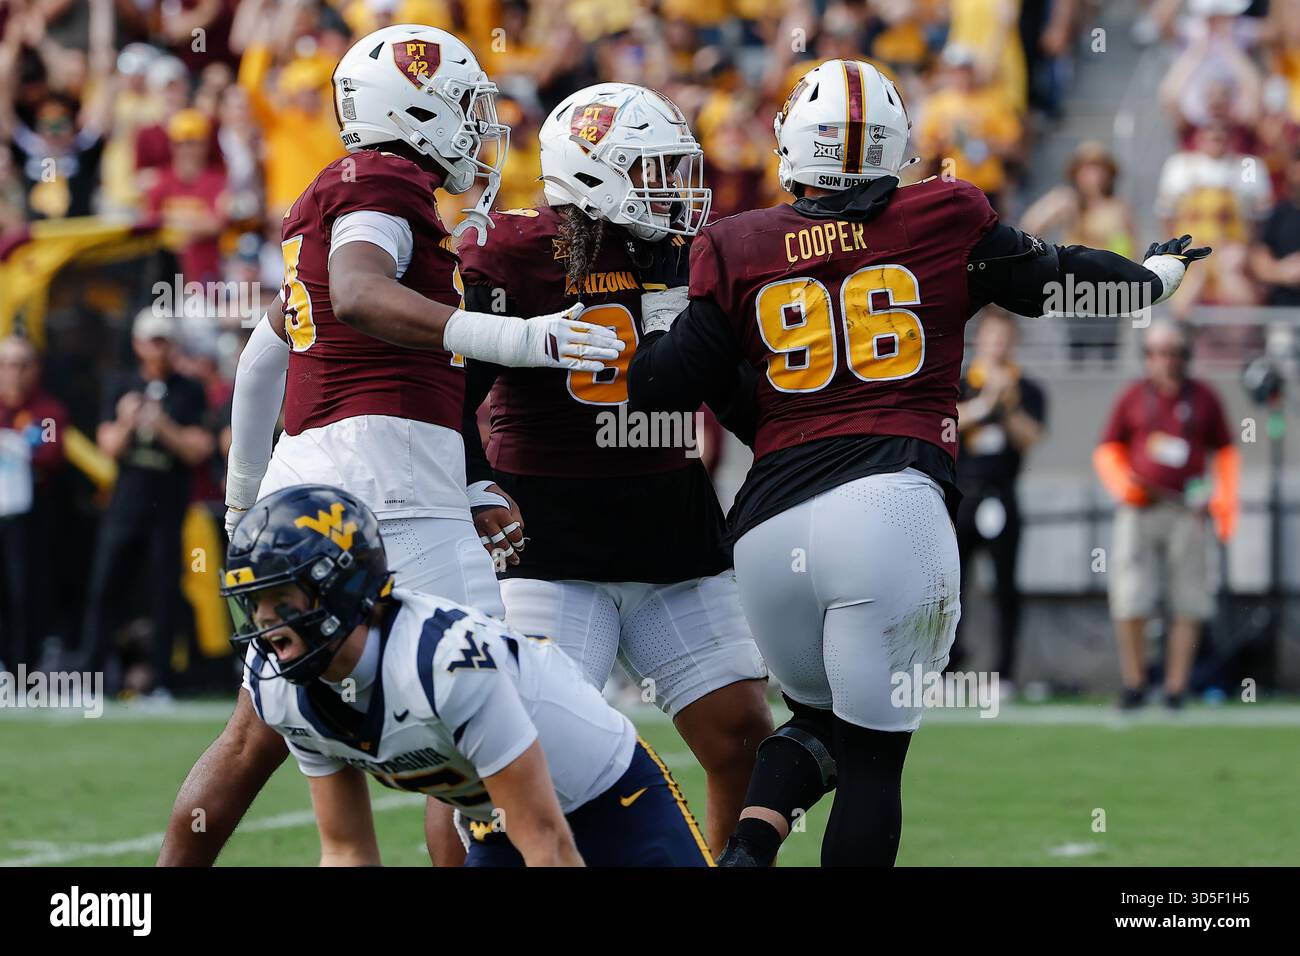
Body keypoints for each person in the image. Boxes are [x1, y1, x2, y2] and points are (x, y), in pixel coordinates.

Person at [626, 58, 1212, 866]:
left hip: (767, 532)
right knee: (870, 763)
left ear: (794, 141)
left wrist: (654, 309)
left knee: (816, 727)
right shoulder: (943, 214)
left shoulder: (738, 243)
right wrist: (1151, 280)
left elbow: (660, 387)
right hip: (890, 509)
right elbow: (1057, 283)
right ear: (895, 142)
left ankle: (747, 856)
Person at [158, 24, 623, 867]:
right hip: (394, 490)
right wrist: (518, 340)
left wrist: (242, 499)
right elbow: (365, 294)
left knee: (254, 731)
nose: (477, 127)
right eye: (462, 107)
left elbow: (266, 357)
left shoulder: (334, 191)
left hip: (313, 482)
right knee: (480, 721)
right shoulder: (382, 184)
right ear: (410, 109)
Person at [457, 82, 772, 857]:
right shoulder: (516, 252)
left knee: (743, 739)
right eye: (656, 168)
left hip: (670, 524)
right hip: (550, 537)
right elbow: (447, 394)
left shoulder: (692, 251)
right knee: (509, 754)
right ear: (596, 175)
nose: (677, 188)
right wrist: (471, 485)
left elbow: (736, 391)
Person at [223, 484, 712, 867]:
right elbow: (348, 851)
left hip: (615, 800)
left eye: (284, 600)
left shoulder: (445, 664)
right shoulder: (279, 686)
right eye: (256, 606)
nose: (268, 625)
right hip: (500, 823)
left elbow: (548, 846)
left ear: (347, 591)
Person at [1092, 321, 1239, 710]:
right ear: (1148, 357)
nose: (1167, 361)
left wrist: (1223, 504)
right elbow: (1107, 450)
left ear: (1185, 356)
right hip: (1140, 509)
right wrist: (1125, 485)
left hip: (1186, 511)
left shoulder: (1205, 398)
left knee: (1188, 600)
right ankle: (1135, 682)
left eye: (1174, 353)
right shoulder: (1132, 398)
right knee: (1130, 596)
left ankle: (1176, 687)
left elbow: (1225, 453)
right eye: (1159, 353)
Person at [81, 309, 214, 694]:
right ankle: (91, 678)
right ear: (138, 344)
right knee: (105, 589)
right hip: (125, 506)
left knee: (165, 593)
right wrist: (126, 422)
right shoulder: (121, 384)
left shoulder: (189, 389)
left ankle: (160, 682)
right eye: (152, 340)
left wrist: (162, 426)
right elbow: (108, 445)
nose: (159, 348)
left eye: (165, 340)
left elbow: (197, 449)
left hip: (168, 510)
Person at [951, 309, 1046, 691]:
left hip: (1003, 494)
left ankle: (1004, 671)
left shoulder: (1027, 389)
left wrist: (1006, 406)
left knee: (1006, 585)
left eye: (1004, 339)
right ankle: (949, 667)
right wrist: (986, 401)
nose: (998, 346)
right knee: (953, 586)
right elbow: (949, 422)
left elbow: (1030, 437)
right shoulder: (960, 383)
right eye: (992, 339)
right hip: (962, 494)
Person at [0, 336, 67, 670]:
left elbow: (51, 452)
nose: (15, 373)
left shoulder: (48, 412)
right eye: (8, 365)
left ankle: (23, 666)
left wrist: (18, 447)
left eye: (22, 365)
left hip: (30, 514)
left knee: (25, 588)